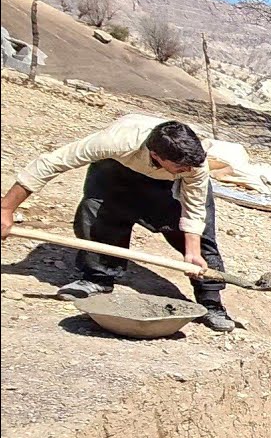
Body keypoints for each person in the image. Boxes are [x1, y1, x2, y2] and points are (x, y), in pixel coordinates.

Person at [0, 114, 235, 331]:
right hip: (118, 170)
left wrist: (192, 252)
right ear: (156, 155)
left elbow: (194, 206)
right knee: (96, 212)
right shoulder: (117, 140)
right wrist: (6, 209)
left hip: (171, 185)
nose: (189, 169)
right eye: (182, 167)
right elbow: (50, 164)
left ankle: (211, 303)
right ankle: (98, 278)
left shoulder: (193, 163)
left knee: (202, 238)